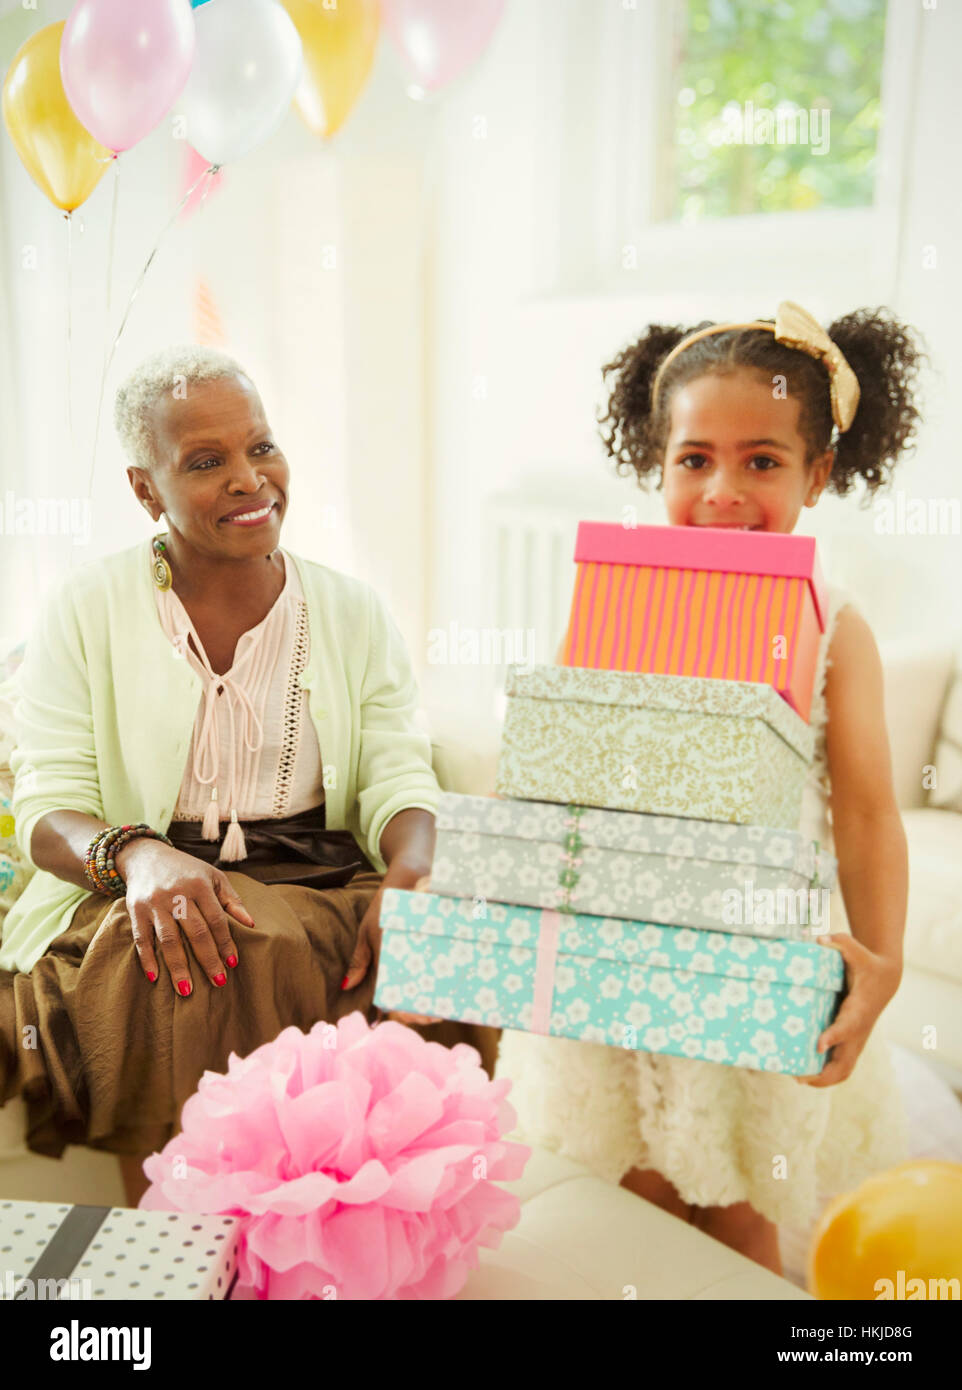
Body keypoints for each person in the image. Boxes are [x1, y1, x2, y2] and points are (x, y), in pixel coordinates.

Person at [0, 344, 489, 1207]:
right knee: (190, 951)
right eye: (204, 461)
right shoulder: (86, 606)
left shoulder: (348, 609)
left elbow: (396, 772)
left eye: (260, 447)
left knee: (357, 948)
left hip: (319, 874)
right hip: (140, 889)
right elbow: (47, 801)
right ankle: (184, 1245)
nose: (246, 478)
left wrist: (414, 873)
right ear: (145, 490)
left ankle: (309, 1243)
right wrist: (140, 856)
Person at [494, 302, 925, 1274]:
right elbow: (553, 770)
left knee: (733, 1197)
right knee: (622, 1192)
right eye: (693, 459)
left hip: (750, 957)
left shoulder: (833, 618)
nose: (722, 489)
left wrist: (882, 959)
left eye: (761, 460)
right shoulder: (611, 596)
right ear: (657, 464)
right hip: (618, 944)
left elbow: (863, 810)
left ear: (817, 474)